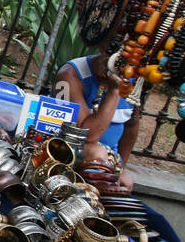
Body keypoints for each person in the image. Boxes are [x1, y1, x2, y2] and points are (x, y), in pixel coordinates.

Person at [55, 53, 140, 191]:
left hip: (110, 164)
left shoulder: (135, 78)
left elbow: (132, 126)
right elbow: (86, 137)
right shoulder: (70, 74)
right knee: (96, 152)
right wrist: (115, 91)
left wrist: (122, 170)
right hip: (71, 158)